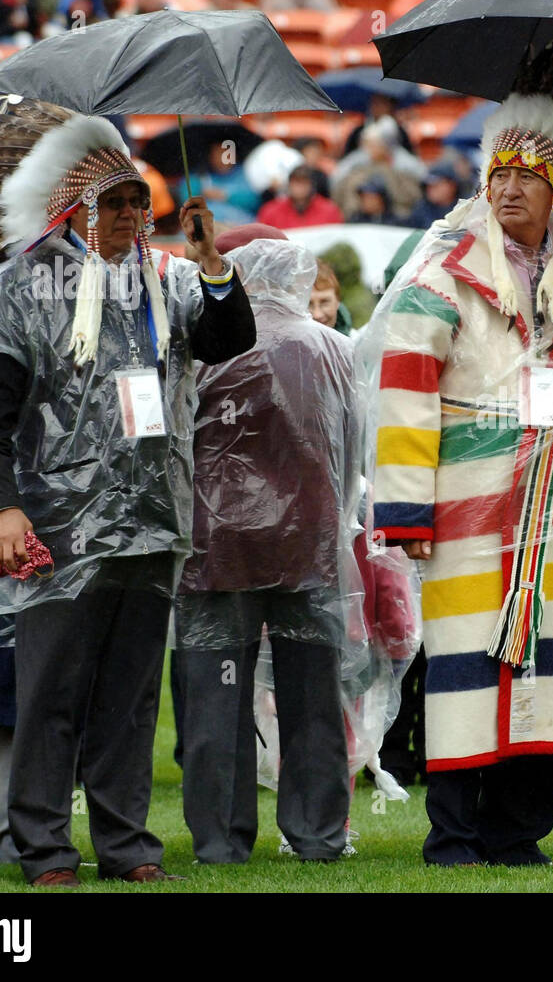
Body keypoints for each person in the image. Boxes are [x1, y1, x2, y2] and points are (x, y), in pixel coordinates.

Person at [0, 98, 256, 886]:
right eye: (115, 201)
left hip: (149, 519)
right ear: (77, 206)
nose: (132, 213)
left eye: (140, 199)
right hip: (58, 527)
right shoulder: (20, 288)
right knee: (51, 693)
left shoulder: (165, 279)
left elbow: (227, 340)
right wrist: (1, 510)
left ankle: (127, 843)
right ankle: (44, 847)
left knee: (133, 697)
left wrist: (212, 261)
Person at [363, 45, 553, 866]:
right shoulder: (444, 272)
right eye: (497, 176)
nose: (504, 190)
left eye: (525, 179)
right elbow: (404, 390)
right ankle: (455, 833)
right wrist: (403, 509)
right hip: (466, 501)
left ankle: (518, 832)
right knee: (464, 663)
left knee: (548, 664)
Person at [175, 225, 357, 864]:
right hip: (309, 544)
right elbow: (354, 453)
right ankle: (317, 833)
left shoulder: (201, 348)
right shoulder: (332, 348)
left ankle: (222, 839)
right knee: (311, 697)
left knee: (217, 701)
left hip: (216, 547)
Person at [257, 165, 343, 230]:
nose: (299, 188)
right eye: (296, 183)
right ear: (289, 185)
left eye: (304, 183)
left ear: (312, 186)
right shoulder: (270, 211)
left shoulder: (330, 211)